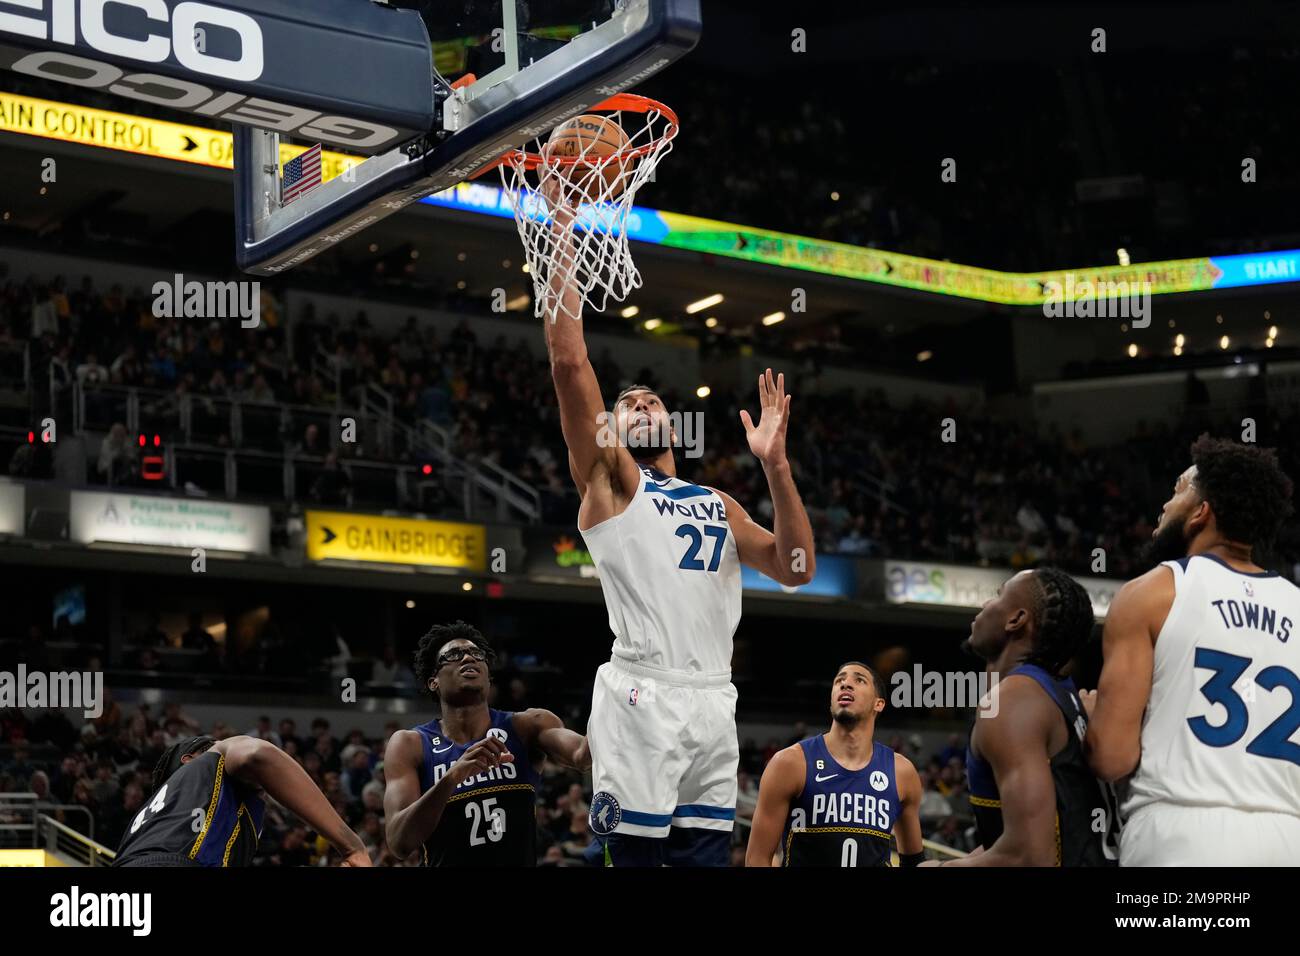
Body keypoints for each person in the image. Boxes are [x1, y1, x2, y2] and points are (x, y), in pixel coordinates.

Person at [540, 191, 816, 865]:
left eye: (650, 399)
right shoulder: (609, 483)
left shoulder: (718, 502)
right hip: (642, 694)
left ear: (671, 422)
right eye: (626, 404)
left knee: (702, 861)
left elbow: (796, 569)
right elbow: (570, 364)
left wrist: (777, 467)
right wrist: (562, 234)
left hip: (713, 699)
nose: (638, 405)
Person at [1085, 436, 1299, 866]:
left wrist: (1094, 720)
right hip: (1287, 836)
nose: (1165, 504)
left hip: (1181, 833)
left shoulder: (1152, 592)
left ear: (1202, 513)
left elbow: (1111, 757)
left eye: (1179, 489)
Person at [936, 567, 1118, 866]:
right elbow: (1056, 824)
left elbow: (1029, 855)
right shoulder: (1060, 695)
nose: (985, 605)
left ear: (1016, 620)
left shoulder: (1015, 700)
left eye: (997, 596)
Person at [383, 621, 591, 866]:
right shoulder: (410, 744)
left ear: (488, 678)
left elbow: (582, 757)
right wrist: (452, 778)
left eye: (476, 654)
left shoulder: (527, 726)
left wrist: (614, 693)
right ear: (433, 681)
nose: (468, 657)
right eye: (453, 655)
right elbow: (399, 842)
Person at [745, 662, 924, 867]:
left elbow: (913, 861)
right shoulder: (790, 763)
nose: (845, 684)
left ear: (879, 704)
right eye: (839, 680)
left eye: (859, 680)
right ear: (831, 700)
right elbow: (757, 859)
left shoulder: (902, 771)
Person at [114, 735, 369, 867]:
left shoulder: (142, 827)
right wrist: (352, 846)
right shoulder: (209, 761)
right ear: (189, 759)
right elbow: (256, 755)